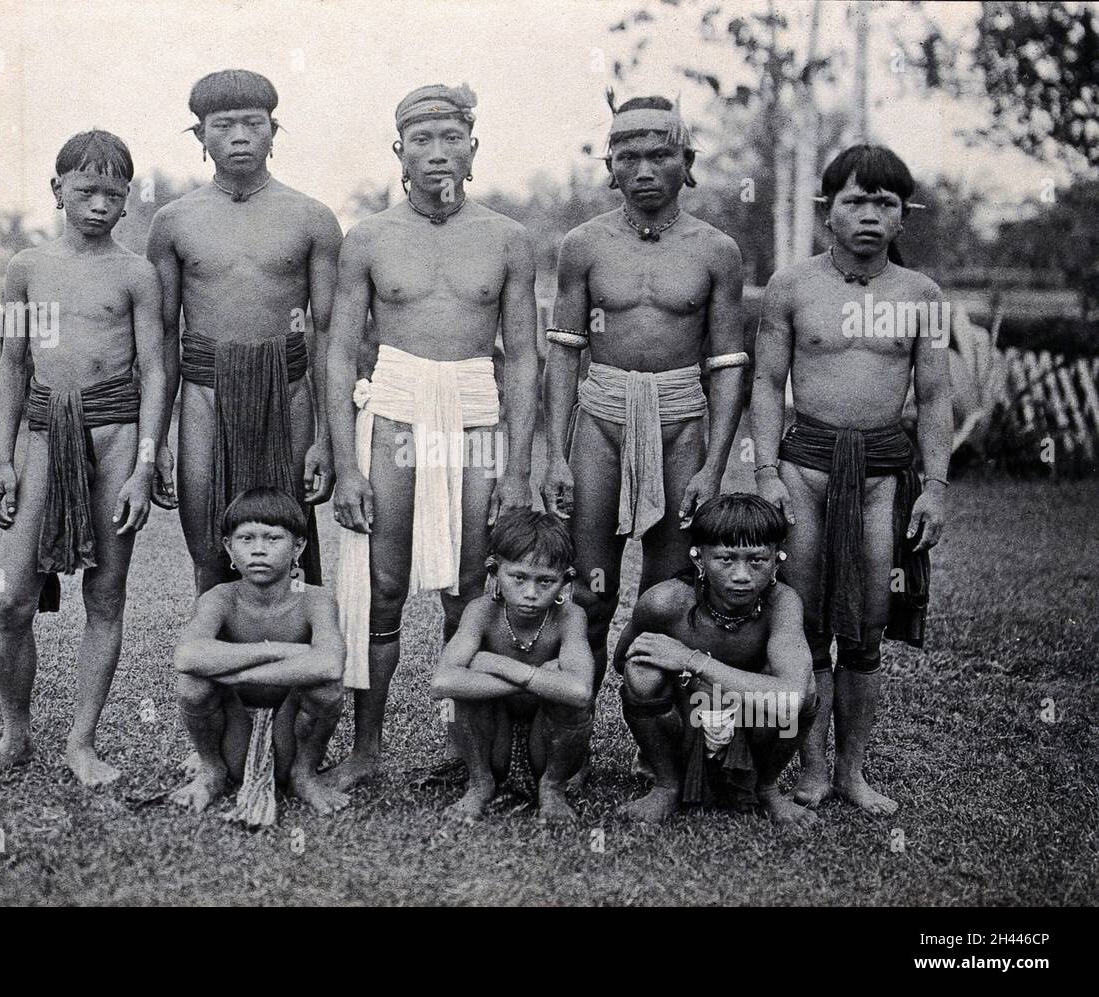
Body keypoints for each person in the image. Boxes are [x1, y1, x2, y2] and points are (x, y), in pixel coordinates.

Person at [325, 83, 539, 789]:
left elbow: (525, 355)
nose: (437, 151)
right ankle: (367, 746)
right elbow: (337, 352)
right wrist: (347, 469)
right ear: (399, 153)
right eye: (422, 139)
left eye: (452, 138)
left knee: (469, 589)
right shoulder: (369, 239)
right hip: (394, 400)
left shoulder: (508, 238)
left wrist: (517, 468)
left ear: (473, 151)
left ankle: (467, 747)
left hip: (475, 402)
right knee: (382, 586)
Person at [0, 130, 165, 787]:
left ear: (128, 200)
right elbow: (14, 365)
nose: (101, 205)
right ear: (57, 191)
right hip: (47, 435)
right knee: (13, 597)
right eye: (86, 191)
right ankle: (13, 735)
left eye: (114, 193)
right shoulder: (27, 269)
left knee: (105, 594)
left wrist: (144, 463)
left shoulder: (136, 272)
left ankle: (82, 741)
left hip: (117, 434)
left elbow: (157, 370)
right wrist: (2, 460)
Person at [751, 144, 951, 816]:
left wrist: (938, 486)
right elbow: (765, 383)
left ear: (903, 217)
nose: (869, 214)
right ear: (825, 211)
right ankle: (810, 769)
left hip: (881, 475)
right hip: (805, 467)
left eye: (885, 203)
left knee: (865, 628)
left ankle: (853, 770)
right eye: (855, 201)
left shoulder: (920, 295)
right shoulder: (792, 285)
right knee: (803, 620)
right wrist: (766, 471)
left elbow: (936, 395)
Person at [541, 92, 746, 689]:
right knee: (588, 589)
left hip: (682, 420)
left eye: (660, 155)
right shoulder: (583, 246)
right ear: (609, 167)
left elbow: (728, 362)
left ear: (687, 160)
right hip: (601, 420)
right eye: (628, 157)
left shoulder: (716, 250)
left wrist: (714, 464)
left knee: (671, 591)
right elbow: (565, 350)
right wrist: (554, 453)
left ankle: (656, 742)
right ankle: (571, 735)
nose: (645, 171)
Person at [146, 68, 342, 594]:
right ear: (200, 136)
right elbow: (164, 338)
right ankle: (217, 671)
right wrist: (157, 440)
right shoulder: (173, 222)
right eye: (222, 124)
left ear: (274, 132)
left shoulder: (313, 218)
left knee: (289, 540)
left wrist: (328, 437)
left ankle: (298, 672)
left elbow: (327, 335)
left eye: (252, 123)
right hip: (205, 396)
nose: (238, 136)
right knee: (209, 547)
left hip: (290, 392)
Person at [611, 494, 819, 825]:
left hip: (752, 721)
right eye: (725, 559)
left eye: (757, 561)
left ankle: (766, 789)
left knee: (805, 690)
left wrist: (693, 663)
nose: (741, 575)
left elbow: (793, 697)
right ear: (699, 559)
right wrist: (691, 688)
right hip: (685, 720)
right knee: (642, 672)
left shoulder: (783, 604)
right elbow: (623, 661)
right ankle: (666, 784)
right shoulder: (665, 602)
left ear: (777, 563)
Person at [170, 487, 349, 825]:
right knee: (193, 684)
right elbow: (188, 655)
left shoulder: (315, 599)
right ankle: (211, 770)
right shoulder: (220, 597)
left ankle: (304, 774)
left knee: (326, 687)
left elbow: (329, 663)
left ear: (298, 547)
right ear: (229, 548)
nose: (258, 550)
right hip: (232, 731)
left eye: (272, 539)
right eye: (246, 538)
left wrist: (237, 674)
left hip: (289, 732)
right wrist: (279, 651)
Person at [429, 511, 594, 821]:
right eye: (518, 577)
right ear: (494, 571)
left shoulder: (570, 617)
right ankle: (480, 783)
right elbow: (442, 683)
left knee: (571, 703)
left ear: (566, 580)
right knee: (459, 695)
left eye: (546, 581)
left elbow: (580, 693)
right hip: (494, 724)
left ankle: (552, 787)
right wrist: (541, 677)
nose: (531, 593)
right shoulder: (481, 612)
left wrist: (495, 664)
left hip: (547, 731)